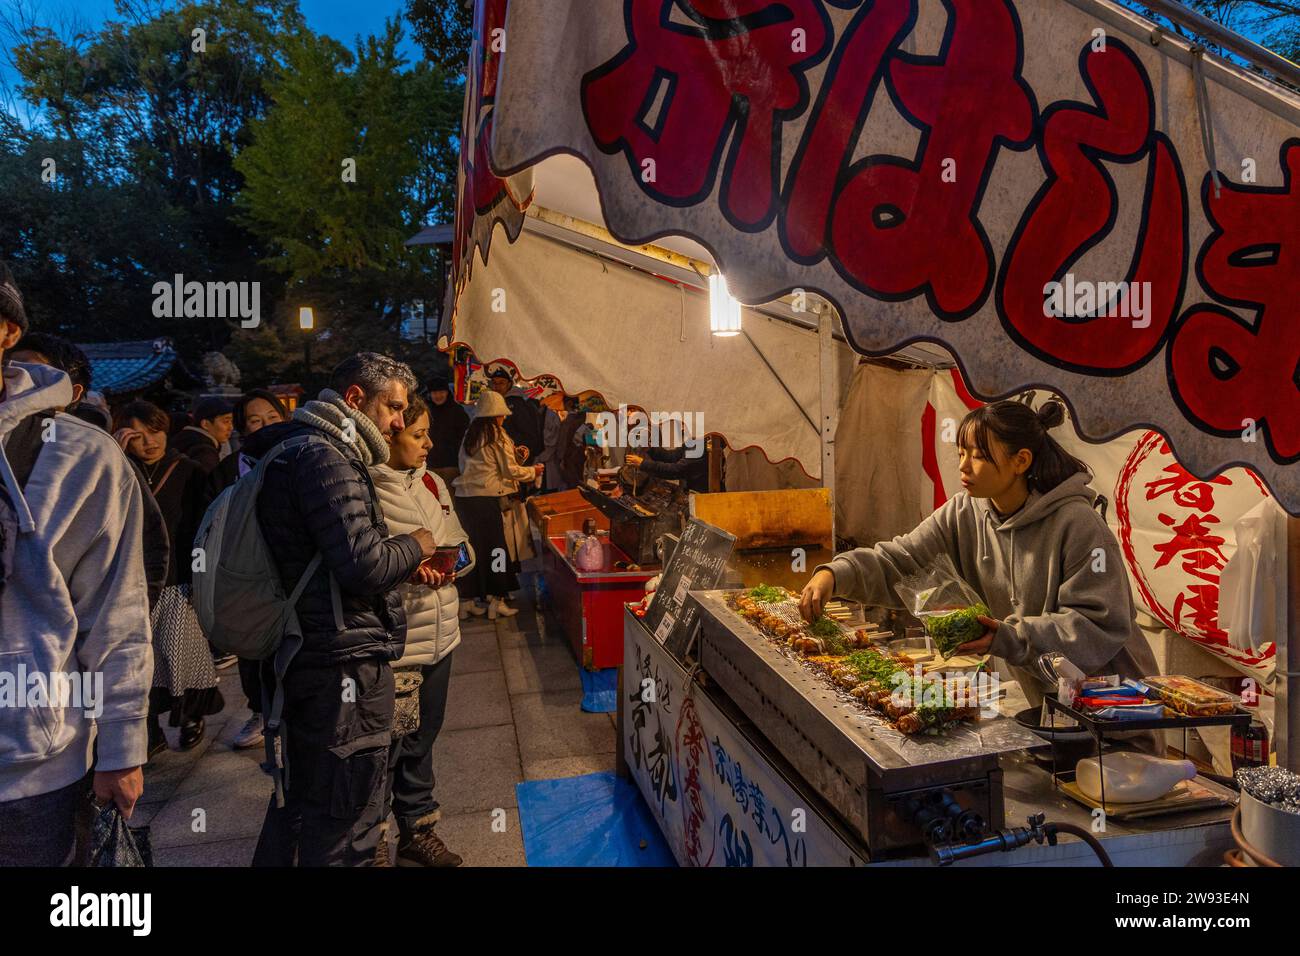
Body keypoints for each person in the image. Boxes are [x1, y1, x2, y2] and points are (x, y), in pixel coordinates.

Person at [799, 400, 1160, 748]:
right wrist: (836, 573)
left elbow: (1097, 624)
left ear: (1021, 461)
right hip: (1052, 713)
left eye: (979, 455)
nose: (964, 467)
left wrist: (1009, 637)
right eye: (961, 453)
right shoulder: (964, 513)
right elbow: (902, 560)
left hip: (1116, 710)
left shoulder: (1079, 525)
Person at [245, 352, 435, 867]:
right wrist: (417, 543)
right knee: (345, 815)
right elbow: (364, 566)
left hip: (307, 651)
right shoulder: (326, 457)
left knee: (302, 803)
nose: (399, 421)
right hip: (339, 660)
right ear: (356, 399)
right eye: (393, 408)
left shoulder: (293, 449)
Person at [0, 263, 152, 866]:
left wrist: (122, 747)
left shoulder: (79, 457)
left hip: (30, 769)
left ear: (7, 330)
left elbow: (115, 613)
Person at [369, 393, 473, 867]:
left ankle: (418, 831)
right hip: (398, 641)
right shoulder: (367, 487)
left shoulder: (431, 481)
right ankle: (369, 840)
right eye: (418, 434)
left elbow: (460, 543)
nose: (429, 443)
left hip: (441, 634)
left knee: (421, 739)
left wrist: (454, 563)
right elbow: (361, 564)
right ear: (388, 433)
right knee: (383, 746)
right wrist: (408, 568)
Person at [10, 331, 169, 610]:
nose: (19, 381)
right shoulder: (6, 443)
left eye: (35, 372)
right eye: (12, 370)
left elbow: (148, 548)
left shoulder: (97, 454)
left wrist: (134, 615)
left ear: (72, 392)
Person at [114, 400, 224, 755]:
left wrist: (203, 575)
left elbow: (206, 526)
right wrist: (112, 455)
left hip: (180, 575)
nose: (150, 442)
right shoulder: (116, 470)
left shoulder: (188, 470)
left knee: (180, 651)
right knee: (138, 658)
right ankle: (148, 727)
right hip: (131, 582)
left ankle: (191, 714)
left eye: (156, 431)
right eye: (139, 435)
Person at [203, 388, 290, 752]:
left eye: (271, 418)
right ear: (242, 429)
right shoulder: (228, 469)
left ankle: (291, 714)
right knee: (253, 650)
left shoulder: (298, 456)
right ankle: (261, 711)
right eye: (255, 421)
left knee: (291, 647)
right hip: (245, 574)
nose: (265, 426)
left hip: (288, 570)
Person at [454, 390, 542, 620]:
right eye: (502, 414)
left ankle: (467, 601)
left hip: (465, 498)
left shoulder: (470, 433)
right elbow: (509, 470)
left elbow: (469, 465)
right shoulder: (496, 434)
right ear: (496, 415)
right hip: (486, 499)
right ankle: (497, 600)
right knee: (497, 550)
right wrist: (534, 471)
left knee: (471, 550)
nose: (505, 418)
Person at [487, 367, 544, 490]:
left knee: (516, 497)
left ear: (509, 384)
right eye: (495, 383)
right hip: (502, 461)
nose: (497, 386)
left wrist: (517, 453)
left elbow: (529, 435)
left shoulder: (517, 404)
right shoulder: (497, 403)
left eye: (501, 383)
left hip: (516, 460)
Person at [424, 377, 469, 488]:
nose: (438, 395)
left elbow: (465, 437)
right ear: (430, 394)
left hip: (451, 465)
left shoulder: (457, 411)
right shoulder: (425, 411)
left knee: (450, 498)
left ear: (447, 392)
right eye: (435, 392)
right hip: (430, 464)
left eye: (441, 392)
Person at [172, 396, 234, 473]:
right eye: (226, 421)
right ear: (205, 424)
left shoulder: (185, 439)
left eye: (232, 422)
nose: (231, 427)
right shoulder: (205, 453)